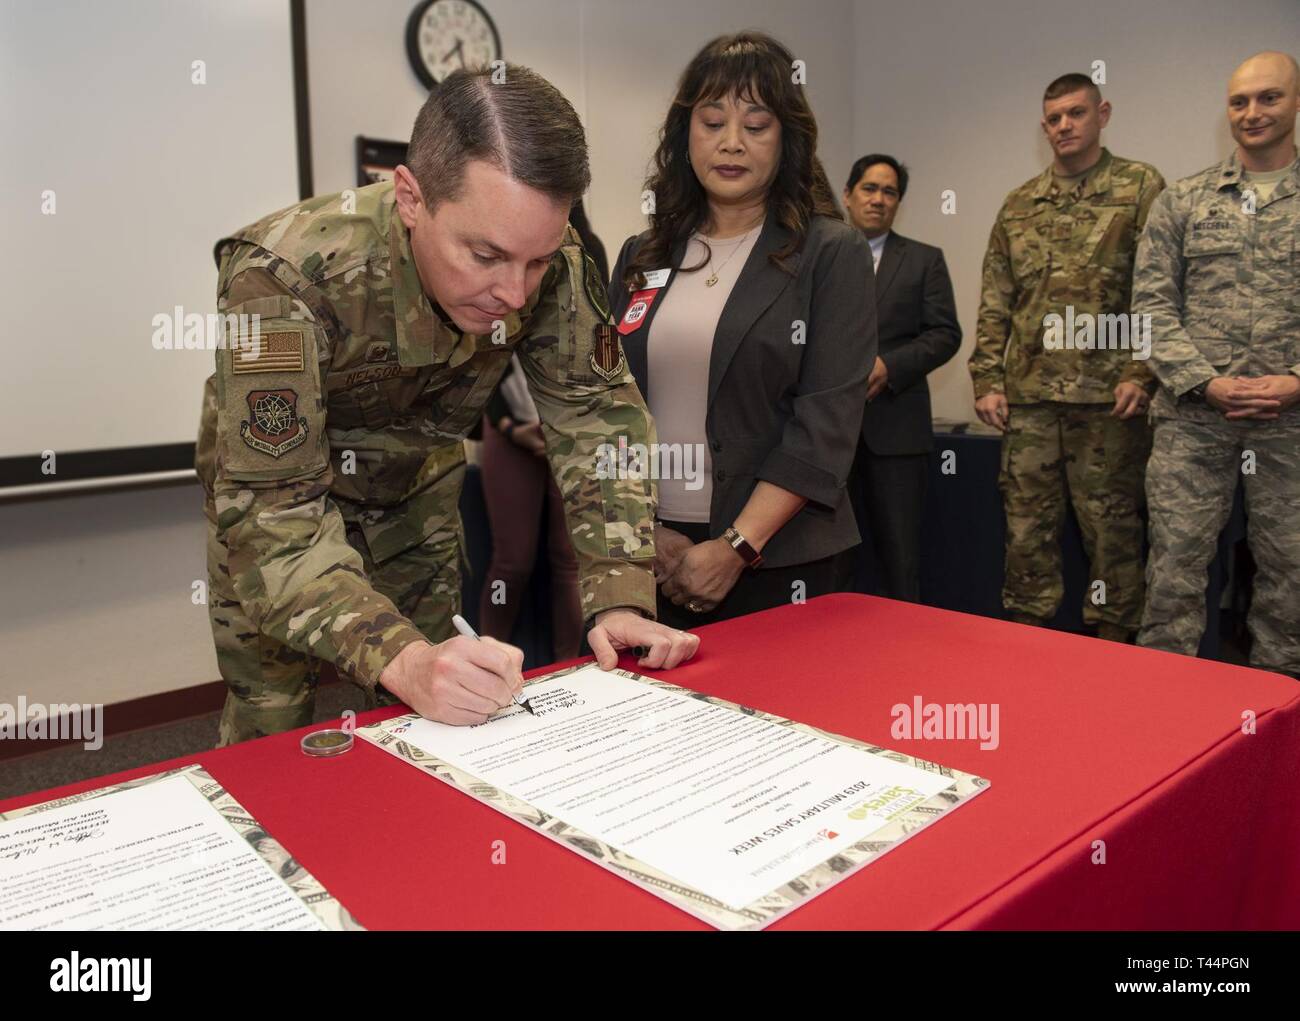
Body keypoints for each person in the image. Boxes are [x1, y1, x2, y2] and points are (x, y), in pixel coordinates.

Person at [196, 64, 698, 745]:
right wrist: (400, 658)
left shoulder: (551, 258)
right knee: (271, 729)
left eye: (536, 262)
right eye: (485, 255)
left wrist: (620, 596)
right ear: (410, 197)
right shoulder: (282, 276)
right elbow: (272, 516)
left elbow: (596, 416)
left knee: (435, 723)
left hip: (414, 502)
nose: (516, 292)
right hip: (279, 516)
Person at [607, 31, 875, 628]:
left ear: (787, 139)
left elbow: (826, 423)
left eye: (756, 126)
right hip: (651, 555)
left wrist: (736, 547)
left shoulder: (830, 252)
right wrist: (648, 530)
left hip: (779, 559)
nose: (731, 143)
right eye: (711, 122)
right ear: (685, 135)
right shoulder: (642, 253)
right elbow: (607, 403)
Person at [970, 73, 1165, 642]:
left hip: (1109, 401)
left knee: (1112, 531)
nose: (1064, 126)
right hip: (1029, 402)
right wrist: (986, 377)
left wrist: (1141, 370)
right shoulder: (1020, 203)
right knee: (1027, 531)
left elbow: (1156, 287)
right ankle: (1029, 645)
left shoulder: (1139, 187)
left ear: (1102, 114)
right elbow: (996, 297)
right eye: (1053, 118)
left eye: (1075, 114)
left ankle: (1115, 651)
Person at [1134, 50, 1300, 678]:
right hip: (1193, 420)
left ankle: (1278, 723)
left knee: (1291, 578)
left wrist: (1296, 381)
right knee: (1173, 570)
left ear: (1296, 102)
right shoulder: (1184, 201)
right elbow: (1148, 310)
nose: (1252, 112)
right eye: (1239, 101)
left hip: (1292, 423)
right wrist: (1206, 383)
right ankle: (1165, 718)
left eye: (1268, 98)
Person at [838, 153, 961, 601]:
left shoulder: (924, 260)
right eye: (870, 188)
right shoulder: (817, 257)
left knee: (900, 559)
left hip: (897, 432)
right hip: (828, 434)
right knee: (831, 561)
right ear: (848, 195)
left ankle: (904, 656)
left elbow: (946, 334)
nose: (879, 199)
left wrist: (891, 366)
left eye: (890, 192)